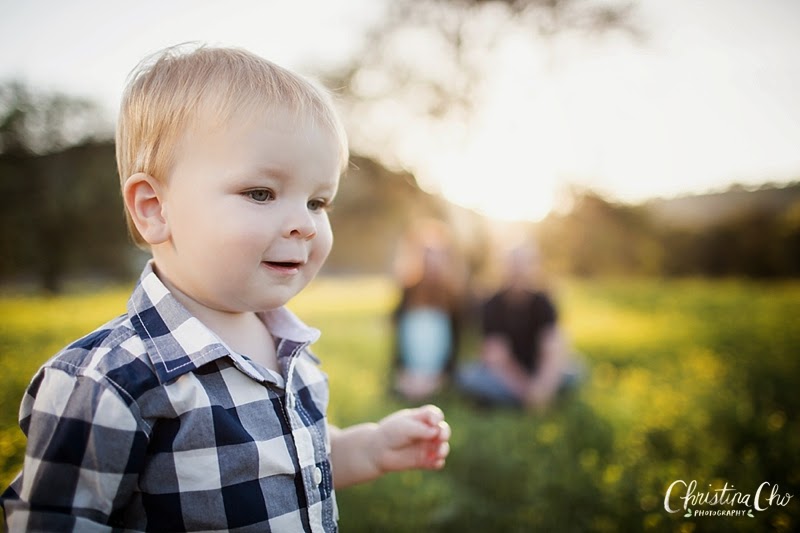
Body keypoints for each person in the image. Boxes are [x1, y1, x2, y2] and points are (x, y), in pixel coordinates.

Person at [1, 44, 450, 532]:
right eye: (261, 193)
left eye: (319, 202)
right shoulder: (110, 381)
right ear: (154, 207)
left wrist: (370, 447)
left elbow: (291, 463)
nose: (303, 223)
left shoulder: (291, 350)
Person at [457, 242, 579, 410]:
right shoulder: (491, 304)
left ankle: (524, 400)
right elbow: (495, 355)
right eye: (513, 265)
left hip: (537, 369)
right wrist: (527, 392)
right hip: (505, 374)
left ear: (534, 267)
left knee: (576, 372)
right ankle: (528, 400)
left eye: (524, 264)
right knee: (469, 377)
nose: (518, 271)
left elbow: (553, 346)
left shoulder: (544, 302)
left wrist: (542, 388)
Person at [390, 219, 465, 401]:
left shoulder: (454, 296)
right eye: (427, 255)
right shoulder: (408, 291)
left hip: (440, 372)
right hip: (411, 369)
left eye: (437, 255)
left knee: (426, 390)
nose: (432, 262)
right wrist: (403, 372)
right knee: (408, 388)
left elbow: (457, 344)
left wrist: (443, 375)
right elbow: (398, 341)